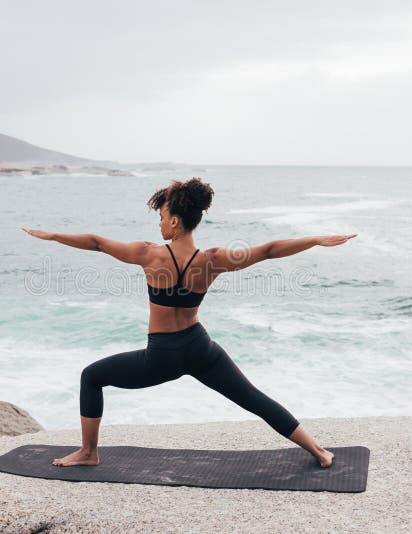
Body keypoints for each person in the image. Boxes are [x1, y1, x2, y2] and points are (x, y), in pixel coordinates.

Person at [21, 177, 356, 468]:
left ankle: (88, 452)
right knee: (253, 397)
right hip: (200, 348)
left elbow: (95, 242)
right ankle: (319, 450)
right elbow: (269, 250)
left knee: (91, 377)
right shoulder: (214, 260)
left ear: (176, 221)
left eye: (163, 217)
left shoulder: (149, 254)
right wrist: (314, 239)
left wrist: (52, 237)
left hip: (162, 357)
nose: (160, 224)